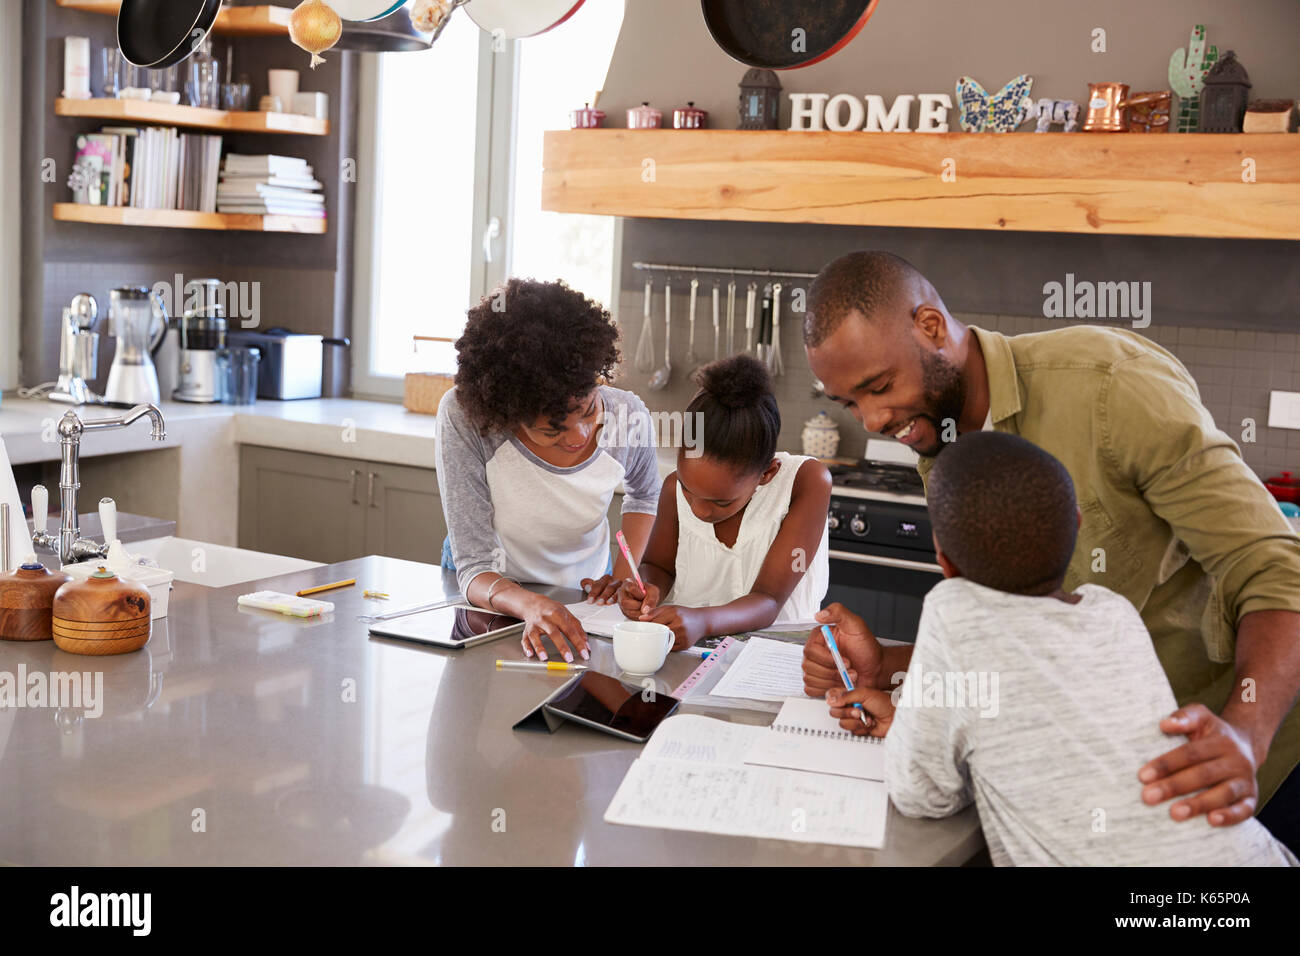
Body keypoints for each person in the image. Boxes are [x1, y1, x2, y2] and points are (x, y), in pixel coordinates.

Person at [800, 250, 1300, 853]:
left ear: (931, 327)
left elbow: (1276, 569)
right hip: (1116, 795)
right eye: (849, 404)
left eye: (879, 386)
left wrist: (1246, 733)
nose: (874, 418)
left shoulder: (1112, 387)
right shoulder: (944, 443)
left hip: (1251, 768)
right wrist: (892, 663)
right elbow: (1025, 643)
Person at [822, 431, 1296, 866]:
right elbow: (1037, 731)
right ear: (1075, 526)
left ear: (942, 558)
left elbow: (924, 794)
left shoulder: (954, 609)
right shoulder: (1113, 612)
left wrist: (915, 735)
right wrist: (912, 719)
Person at [436, 278, 661, 663]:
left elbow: (645, 494)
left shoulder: (627, 415)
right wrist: (529, 604)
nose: (580, 435)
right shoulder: (467, 418)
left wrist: (624, 576)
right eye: (552, 429)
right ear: (508, 414)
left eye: (589, 409)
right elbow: (473, 567)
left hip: (585, 592)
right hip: (488, 596)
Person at [618, 355, 831, 648]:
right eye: (687, 489)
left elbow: (768, 600)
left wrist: (701, 622)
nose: (698, 509)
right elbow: (658, 565)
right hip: (691, 656)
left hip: (777, 657)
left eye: (721, 502)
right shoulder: (672, 488)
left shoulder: (805, 482)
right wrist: (647, 588)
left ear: (767, 473)